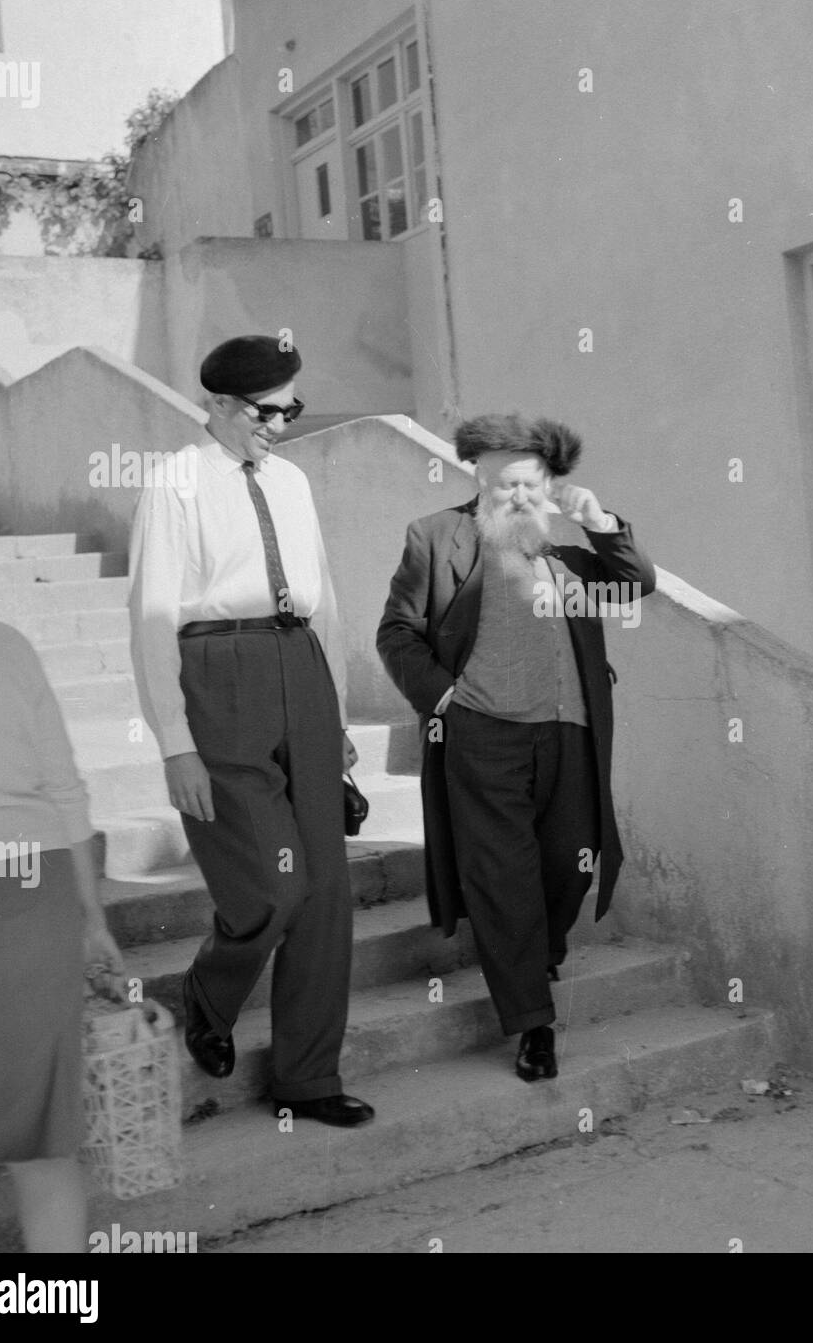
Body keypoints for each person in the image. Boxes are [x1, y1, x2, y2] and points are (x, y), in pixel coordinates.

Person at [128, 335, 372, 1128]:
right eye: (267, 413)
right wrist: (174, 742)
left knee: (325, 893)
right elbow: (151, 616)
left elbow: (324, 598)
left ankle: (308, 1078)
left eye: (290, 410)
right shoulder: (175, 481)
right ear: (221, 405)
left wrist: (335, 715)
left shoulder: (293, 481)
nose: (280, 426)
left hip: (301, 667)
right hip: (219, 674)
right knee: (273, 885)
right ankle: (211, 987)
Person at [377, 413, 655, 1080]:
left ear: (550, 484)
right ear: (478, 475)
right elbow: (397, 632)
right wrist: (445, 698)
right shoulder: (436, 537)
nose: (519, 496)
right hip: (483, 735)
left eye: (532, 484)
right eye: (505, 483)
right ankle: (534, 1023)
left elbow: (634, 586)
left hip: (570, 731)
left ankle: (538, 953)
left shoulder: (568, 551)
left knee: (570, 864)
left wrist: (599, 521)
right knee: (503, 880)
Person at [0, 602, 126, 1251]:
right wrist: (92, 919)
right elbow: (65, 789)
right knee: (43, 1144)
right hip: (31, 890)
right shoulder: (4, 641)